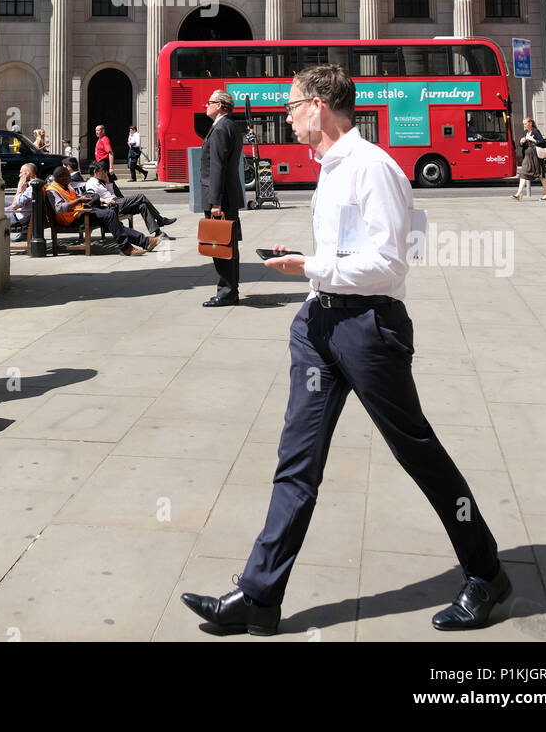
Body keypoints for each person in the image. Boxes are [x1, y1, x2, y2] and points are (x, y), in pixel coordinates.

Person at [182, 64, 510, 636]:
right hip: (319, 326)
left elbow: (389, 262)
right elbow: (346, 253)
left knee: (417, 451)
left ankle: (485, 573)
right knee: (296, 462)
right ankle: (260, 595)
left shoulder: (372, 168)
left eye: (291, 105)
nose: (284, 115)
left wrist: (308, 266)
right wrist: (310, 274)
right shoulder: (328, 169)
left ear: (318, 107)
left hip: (368, 329)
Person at [44, 165, 162, 256]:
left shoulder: (65, 186)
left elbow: (74, 200)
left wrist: (83, 201)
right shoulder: (52, 190)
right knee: (110, 214)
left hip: (79, 212)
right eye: (67, 177)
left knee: (113, 223)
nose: (70, 179)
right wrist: (79, 200)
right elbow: (59, 208)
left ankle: (145, 242)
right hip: (71, 219)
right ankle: (126, 247)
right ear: (59, 177)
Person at [199, 88, 243, 307]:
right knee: (229, 245)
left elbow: (217, 167)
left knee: (221, 247)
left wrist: (215, 202)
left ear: (219, 105)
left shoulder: (220, 129)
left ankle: (226, 293)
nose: (205, 105)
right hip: (228, 195)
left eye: (209, 102)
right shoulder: (230, 127)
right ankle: (231, 290)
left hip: (220, 199)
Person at [85, 161, 176, 237]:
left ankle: (158, 232)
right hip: (112, 205)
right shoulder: (91, 182)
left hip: (116, 202)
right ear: (95, 172)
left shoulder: (101, 182)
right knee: (141, 196)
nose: (104, 173)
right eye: (102, 171)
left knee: (142, 205)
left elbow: (110, 194)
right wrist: (104, 200)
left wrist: (108, 182)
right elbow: (90, 197)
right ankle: (160, 219)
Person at [512, 116, 546, 200]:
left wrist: (532, 139)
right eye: (524, 124)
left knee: (542, 175)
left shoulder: (536, 131)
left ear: (530, 123)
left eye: (525, 124)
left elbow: (542, 142)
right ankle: (519, 194)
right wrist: (521, 143)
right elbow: (523, 145)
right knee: (523, 173)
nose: (524, 125)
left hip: (536, 156)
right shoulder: (525, 132)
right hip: (527, 156)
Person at [8, 161, 37, 241]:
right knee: (0, 202)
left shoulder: (32, 188)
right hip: (20, 213)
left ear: (27, 173)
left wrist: (19, 188)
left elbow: (14, 206)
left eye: (21, 173)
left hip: (18, 218)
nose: (19, 175)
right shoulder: (34, 184)